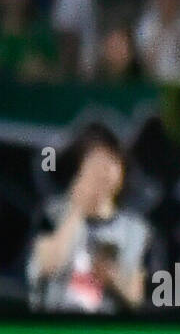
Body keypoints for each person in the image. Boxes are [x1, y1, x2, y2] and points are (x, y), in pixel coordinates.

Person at [28, 125, 149, 314]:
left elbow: (135, 296)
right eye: (94, 163)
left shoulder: (135, 229)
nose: (102, 172)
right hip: (54, 328)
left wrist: (111, 275)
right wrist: (77, 209)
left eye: (111, 162)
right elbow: (47, 264)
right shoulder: (52, 214)